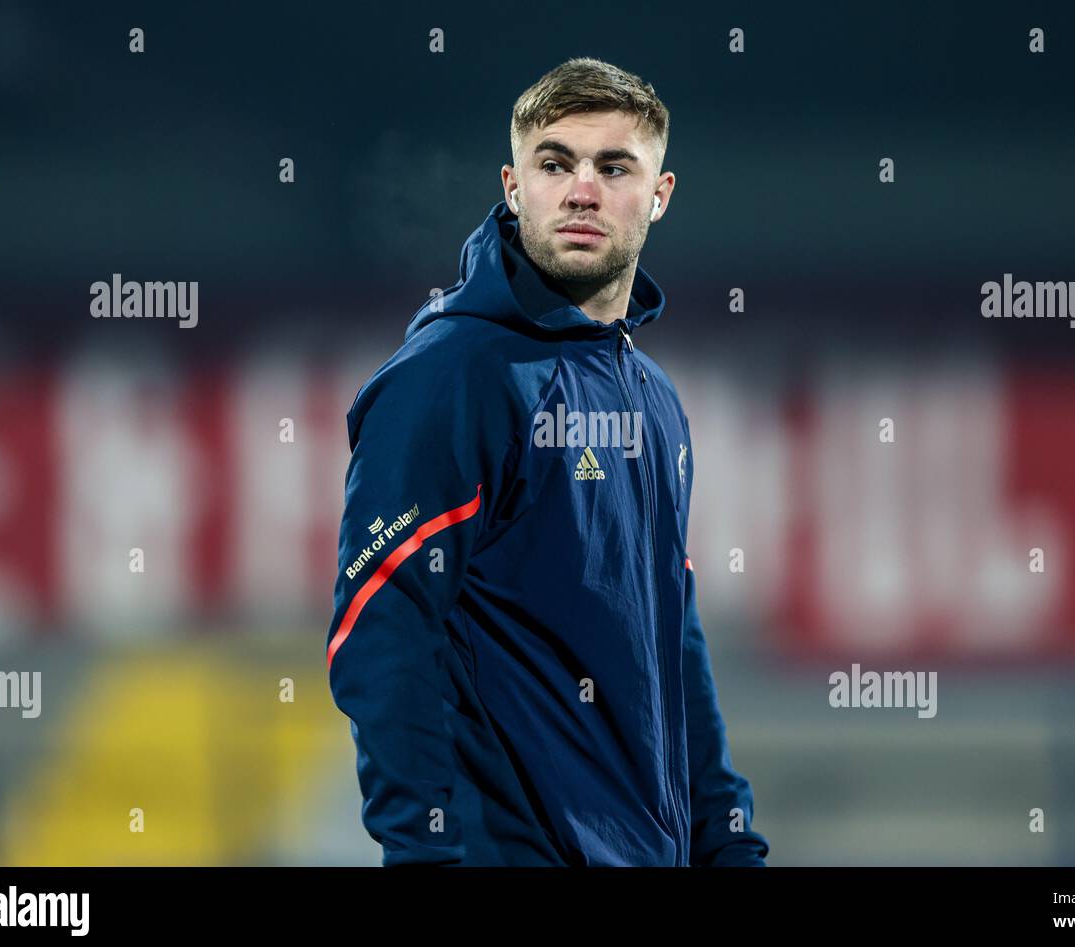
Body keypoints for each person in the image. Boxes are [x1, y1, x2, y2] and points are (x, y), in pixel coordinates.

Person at [325, 56, 768, 867]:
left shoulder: (652, 398)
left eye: (614, 166)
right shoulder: (452, 376)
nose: (582, 190)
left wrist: (729, 841)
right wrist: (423, 854)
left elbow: (674, 648)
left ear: (660, 196)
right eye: (555, 163)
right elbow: (380, 628)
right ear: (514, 185)